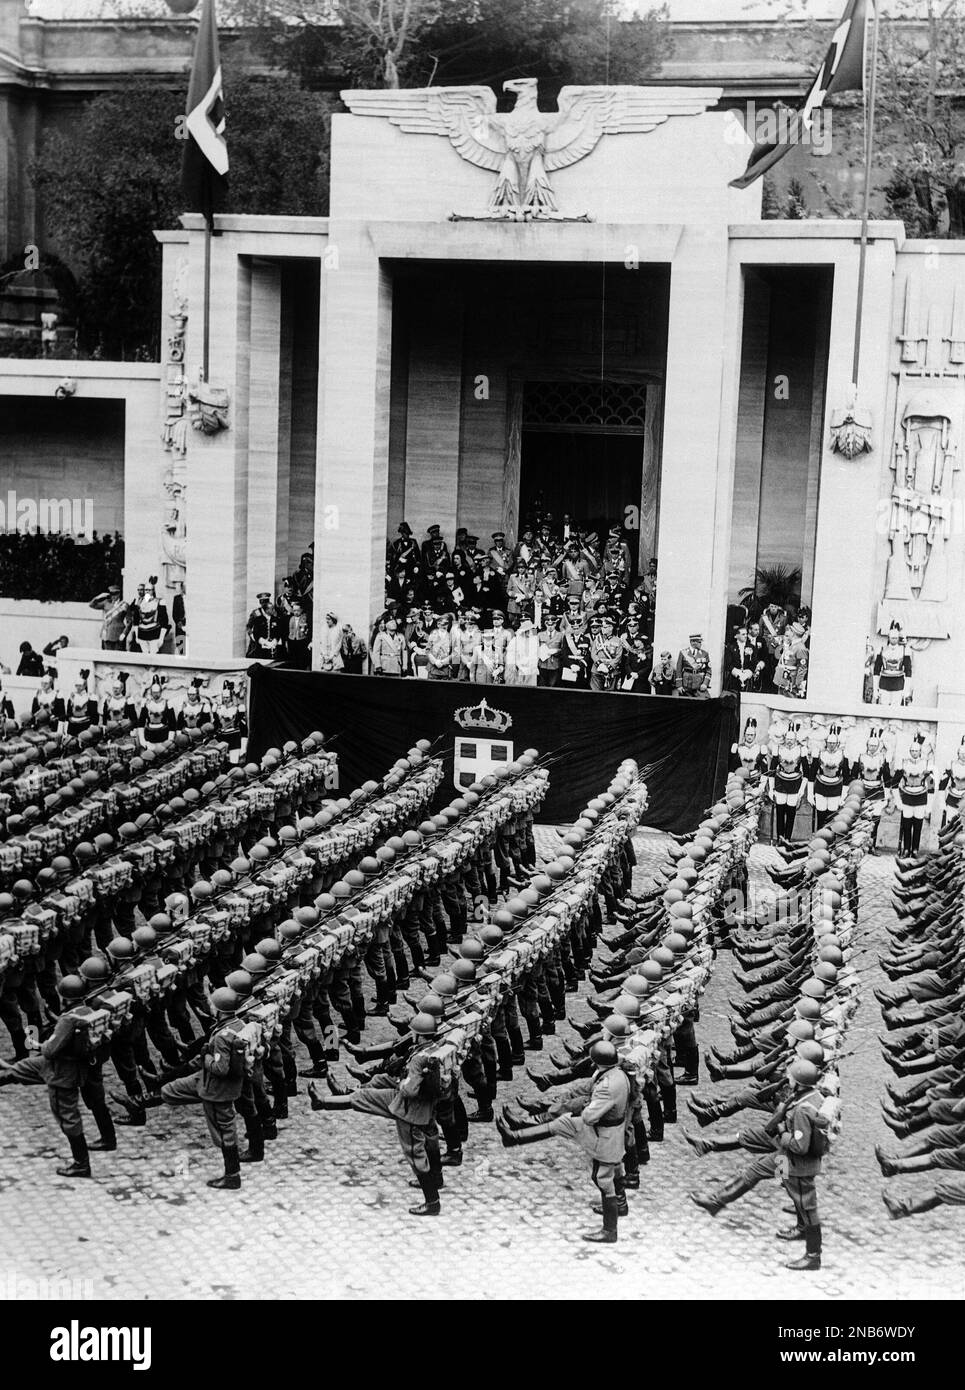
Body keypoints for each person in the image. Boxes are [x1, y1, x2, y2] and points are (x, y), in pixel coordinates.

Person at [495, 1039, 630, 1243]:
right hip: (612, 1131)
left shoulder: (608, 1086)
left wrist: (581, 1106)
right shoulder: (616, 1073)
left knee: (603, 1177)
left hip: (604, 1135)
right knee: (612, 1168)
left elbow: (589, 1117)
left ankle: (610, 1231)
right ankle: (620, 1205)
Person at [874, 622, 912, 706]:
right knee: (883, 707)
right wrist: (875, 688)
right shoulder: (882, 649)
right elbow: (876, 670)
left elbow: (908, 671)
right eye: (892, 637)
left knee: (896, 709)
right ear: (888, 637)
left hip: (898, 683)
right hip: (884, 682)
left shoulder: (904, 650)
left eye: (896, 637)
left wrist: (906, 689)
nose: (894, 639)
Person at [90, 584, 130, 649]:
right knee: (106, 656)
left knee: (118, 656)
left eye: (115, 593)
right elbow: (91, 605)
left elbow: (129, 622)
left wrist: (124, 634)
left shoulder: (124, 605)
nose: (113, 596)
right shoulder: (106, 603)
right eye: (111, 593)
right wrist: (98, 597)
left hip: (119, 634)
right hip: (106, 633)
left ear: (119, 593)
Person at [675, 632, 712, 698]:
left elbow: (708, 670)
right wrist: (679, 685)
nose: (701, 644)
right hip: (686, 684)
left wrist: (705, 683)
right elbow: (678, 669)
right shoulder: (683, 653)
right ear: (692, 642)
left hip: (699, 684)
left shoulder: (705, 654)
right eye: (699, 642)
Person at [246, 592, 281, 660]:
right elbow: (249, 626)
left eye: (266, 601)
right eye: (262, 602)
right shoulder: (256, 613)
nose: (264, 604)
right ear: (260, 602)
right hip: (258, 641)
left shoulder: (274, 611)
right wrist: (252, 636)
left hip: (271, 643)